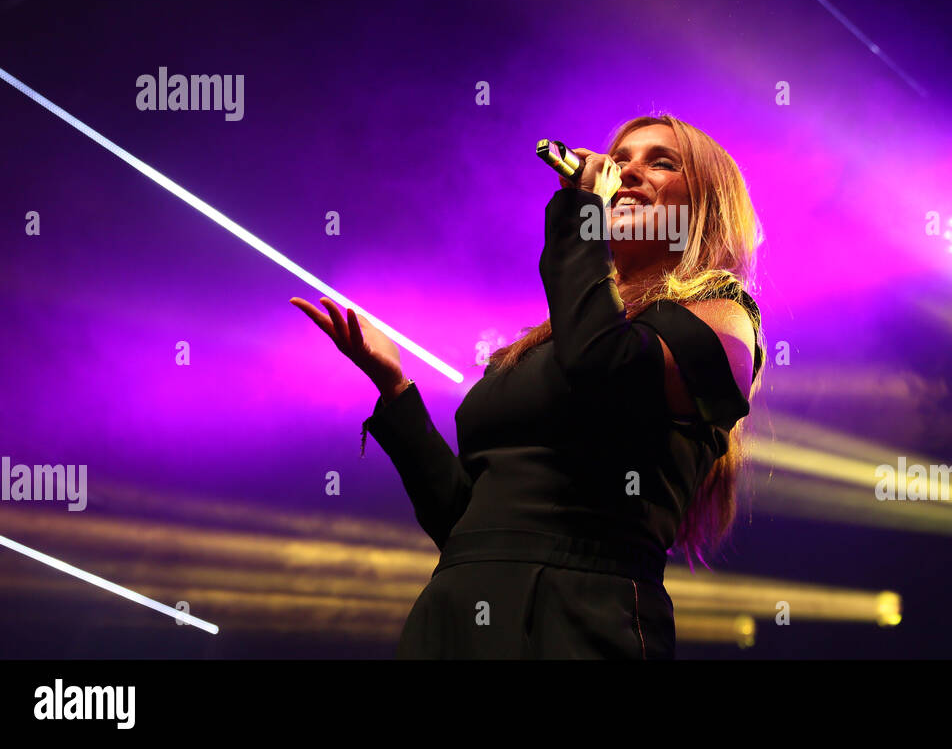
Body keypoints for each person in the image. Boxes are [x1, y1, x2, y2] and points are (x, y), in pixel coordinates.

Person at [291, 114, 764, 658]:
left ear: (706, 205)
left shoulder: (721, 318)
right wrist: (395, 389)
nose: (627, 172)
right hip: (457, 612)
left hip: (576, 616)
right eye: (622, 159)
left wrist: (579, 213)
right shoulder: (547, 342)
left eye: (661, 162)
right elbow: (462, 520)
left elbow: (602, 370)